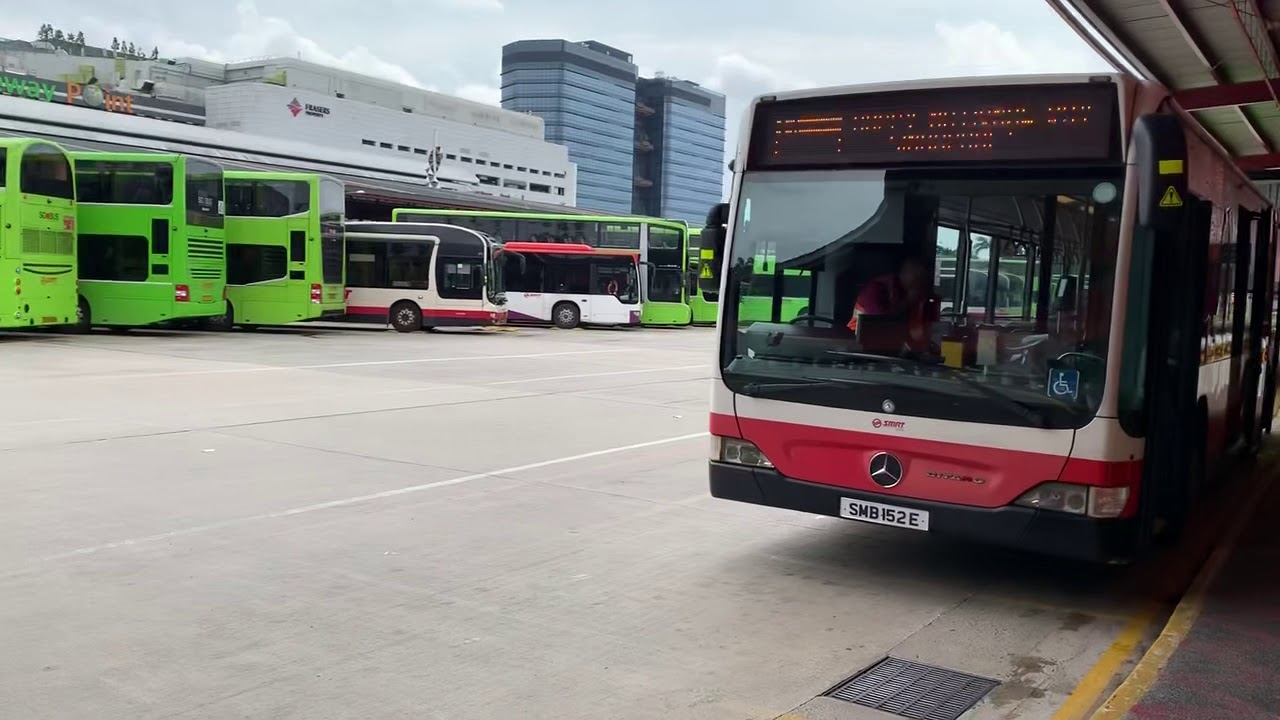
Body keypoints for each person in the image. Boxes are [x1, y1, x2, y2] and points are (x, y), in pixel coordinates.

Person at [848, 256, 935, 351]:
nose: (919, 283)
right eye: (917, 277)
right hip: (857, 343)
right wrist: (909, 301)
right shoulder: (875, 290)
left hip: (887, 346)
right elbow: (882, 325)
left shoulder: (906, 292)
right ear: (905, 273)